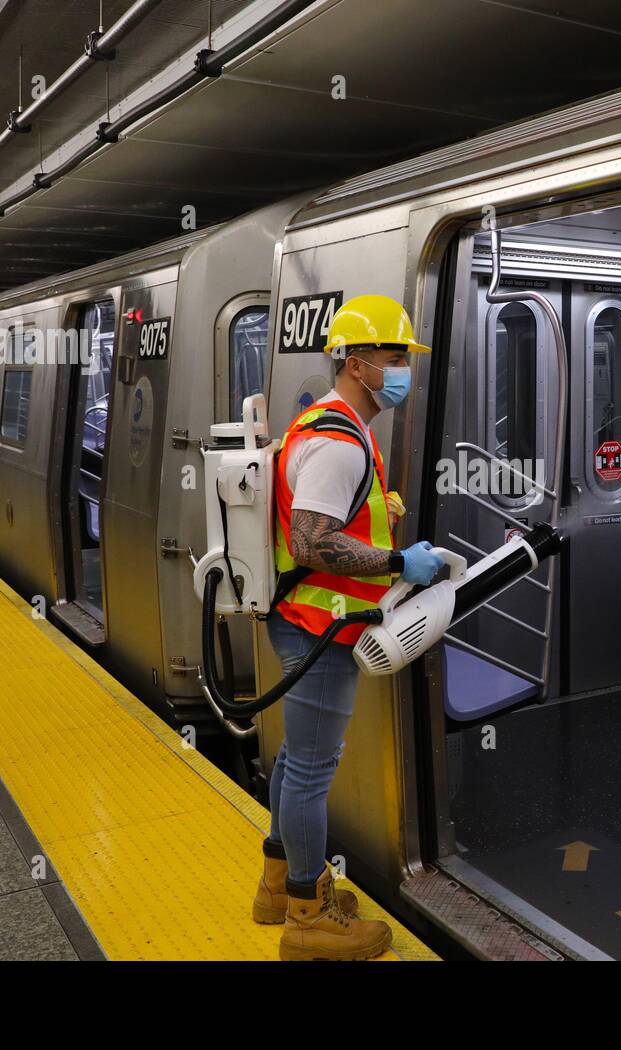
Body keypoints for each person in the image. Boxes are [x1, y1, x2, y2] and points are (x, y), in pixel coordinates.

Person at [251, 294, 445, 962]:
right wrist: (398, 559)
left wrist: (375, 514)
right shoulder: (339, 443)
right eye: (395, 358)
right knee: (309, 768)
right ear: (357, 364)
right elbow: (311, 542)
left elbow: (327, 518)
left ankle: (279, 883)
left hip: (305, 618)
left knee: (294, 760)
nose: (402, 371)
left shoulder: (330, 423)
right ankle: (308, 917)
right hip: (319, 626)